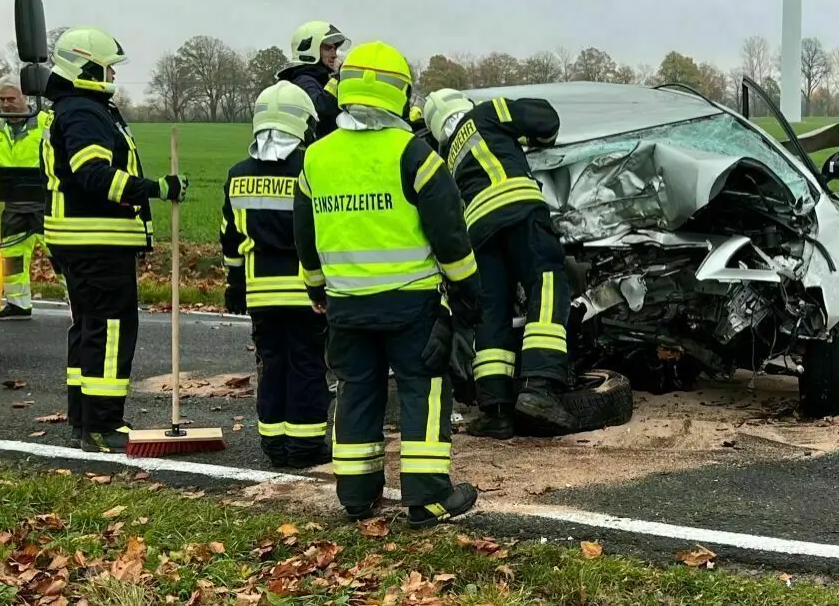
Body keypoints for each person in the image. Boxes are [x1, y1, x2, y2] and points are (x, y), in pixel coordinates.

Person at [293, 41, 483, 528]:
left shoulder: (316, 158)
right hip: (412, 306)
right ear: (402, 94)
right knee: (423, 391)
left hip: (345, 306)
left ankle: (356, 496)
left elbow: (306, 239)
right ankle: (428, 498)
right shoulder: (415, 154)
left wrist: (317, 290)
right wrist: (466, 296)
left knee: (357, 391)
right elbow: (451, 236)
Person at [41, 26, 189, 453]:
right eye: (107, 67)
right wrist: (156, 188)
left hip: (79, 241)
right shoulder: (85, 112)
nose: (112, 76)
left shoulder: (69, 108)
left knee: (87, 327)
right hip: (98, 242)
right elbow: (92, 175)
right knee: (109, 330)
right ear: (85, 66)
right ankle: (104, 424)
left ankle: (82, 417)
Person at [421, 88, 575, 439]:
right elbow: (544, 119)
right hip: (519, 208)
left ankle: (497, 409)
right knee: (547, 282)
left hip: (478, 232)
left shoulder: (445, 158)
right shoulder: (486, 114)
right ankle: (540, 385)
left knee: (492, 311)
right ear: (462, 106)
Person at [220, 81, 331, 469]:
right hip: (306, 293)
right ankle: (304, 445)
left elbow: (230, 239)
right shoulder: (311, 169)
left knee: (271, 366)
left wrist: (234, 285)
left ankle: (274, 445)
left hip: (260, 294)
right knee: (307, 365)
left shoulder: (238, 175)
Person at [0, 74, 60, 320]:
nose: (6, 104)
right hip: (13, 203)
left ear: (24, 97)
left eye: (11, 98)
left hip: (43, 202)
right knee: (11, 258)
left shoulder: (44, 122)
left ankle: (78, 303)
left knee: (59, 256)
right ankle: (18, 304)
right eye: (2, 99)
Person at [276, 21, 349, 141]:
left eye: (335, 49)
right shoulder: (302, 80)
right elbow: (320, 108)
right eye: (328, 48)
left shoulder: (320, 79)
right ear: (309, 48)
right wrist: (338, 77)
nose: (334, 55)